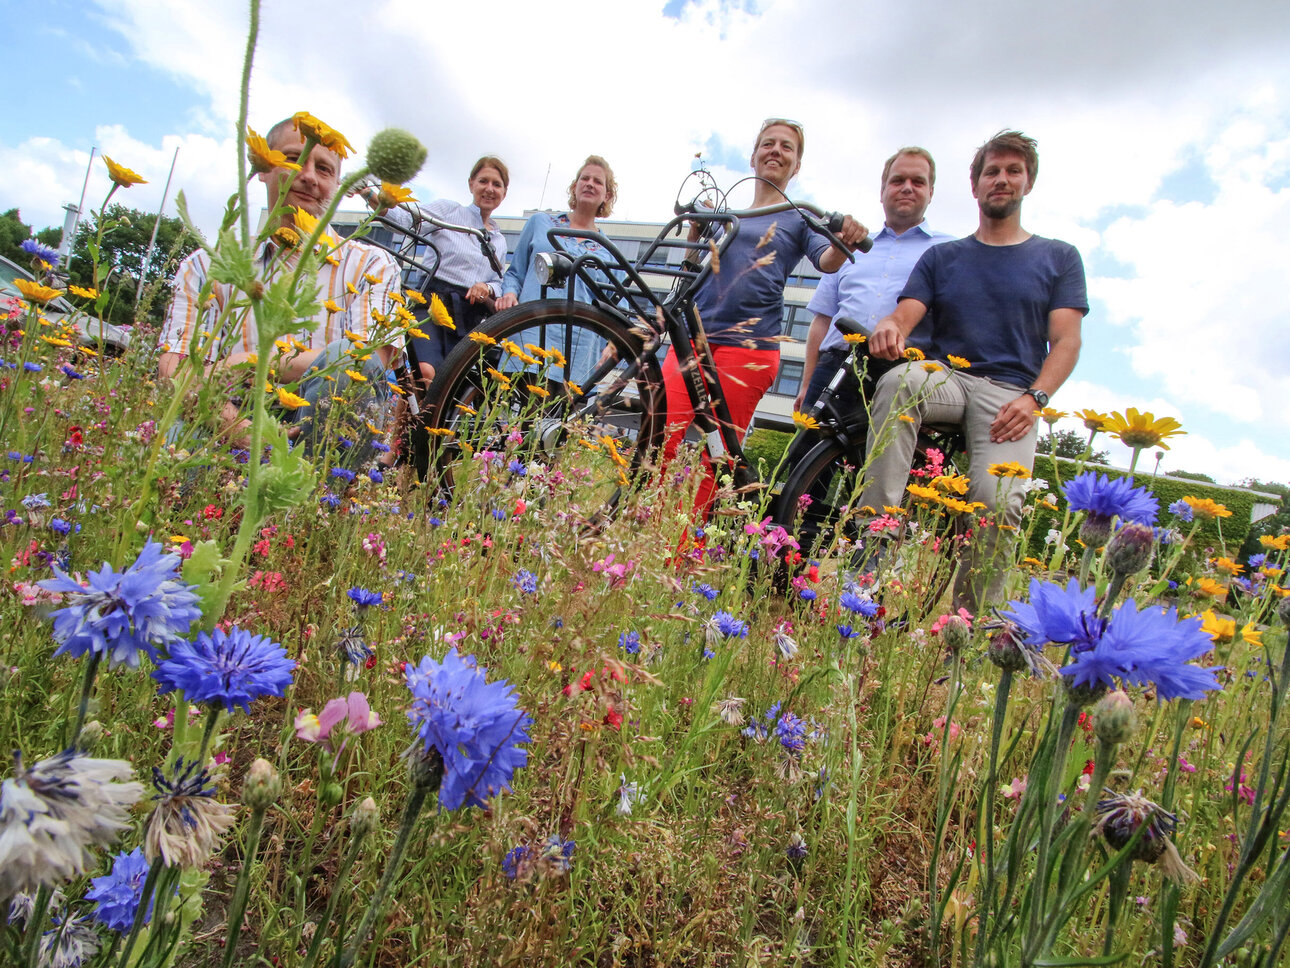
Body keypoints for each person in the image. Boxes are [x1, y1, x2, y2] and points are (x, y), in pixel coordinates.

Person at [862, 130, 1087, 613]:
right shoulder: (942, 257)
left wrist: (1036, 399)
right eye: (992, 171)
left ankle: (969, 624)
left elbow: (1067, 342)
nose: (1001, 179)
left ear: (1028, 182)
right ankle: (875, 541)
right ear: (975, 184)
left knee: (997, 500)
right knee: (898, 381)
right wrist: (890, 326)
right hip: (947, 378)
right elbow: (905, 314)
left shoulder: (1059, 257)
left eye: (1013, 171)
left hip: (1011, 395)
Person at [159, 115, 400, 465]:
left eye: (324, 169)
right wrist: (235, 427)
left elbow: (367, 359)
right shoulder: (207, 264)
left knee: (350, 362)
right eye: (292, 158)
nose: (308, 176)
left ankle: (319, 496)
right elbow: (174, 366)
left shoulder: (371, 265)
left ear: (337, 185)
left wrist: (245, 364)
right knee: (171, 455)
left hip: (320, 423)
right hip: (220, 416)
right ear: (263, 167)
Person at [664, 118, 868, 509]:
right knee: (662, 437)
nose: (776, 151)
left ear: (797, 165)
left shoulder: (799, 216)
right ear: (754, 156)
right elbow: (693, 265)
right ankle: (649, 529)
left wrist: (846, 240)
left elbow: (826, 261)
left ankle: (687, 540)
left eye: (786, 146)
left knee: (717, 455)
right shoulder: (727, 212)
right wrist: (695, 232)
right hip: (692, 340)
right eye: (768, 144)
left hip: (749, 349)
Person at [793, 147, 953, 414]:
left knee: (884, 443)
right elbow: (823, 318)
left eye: (918, 181)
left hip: (900, 373)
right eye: (898, 180)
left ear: (931, 192)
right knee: (808, 441)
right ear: (882, 190)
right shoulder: (850, 247)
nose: (907, 188)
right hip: (833, 368)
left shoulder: (949, 251)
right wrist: (807, 383)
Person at [373, 156, 509, 384]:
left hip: (468, 316)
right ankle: (404, 409)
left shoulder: (500, 240)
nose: (489, 189)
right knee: (425, 373)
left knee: (450, 386)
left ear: (504, 193)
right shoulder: (449, 211)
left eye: (497, 184)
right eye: (483, 181)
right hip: (431, 301)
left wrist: (486, 287)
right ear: (471, 184)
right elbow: (405, 220)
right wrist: (371, 195)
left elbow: (498, 281)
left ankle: (416, 409)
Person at [495, 155, 619, 384]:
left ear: (607, 195)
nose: (590, 184)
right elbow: (515, 272)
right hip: (530, 334)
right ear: (575, 186)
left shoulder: (609, 251)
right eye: (585, 178)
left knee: (563, 407)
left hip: (578, 351)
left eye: (598, 181)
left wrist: (614, 342)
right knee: (512, 402)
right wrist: (509, 293)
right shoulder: (540, 223)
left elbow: (618, 305)